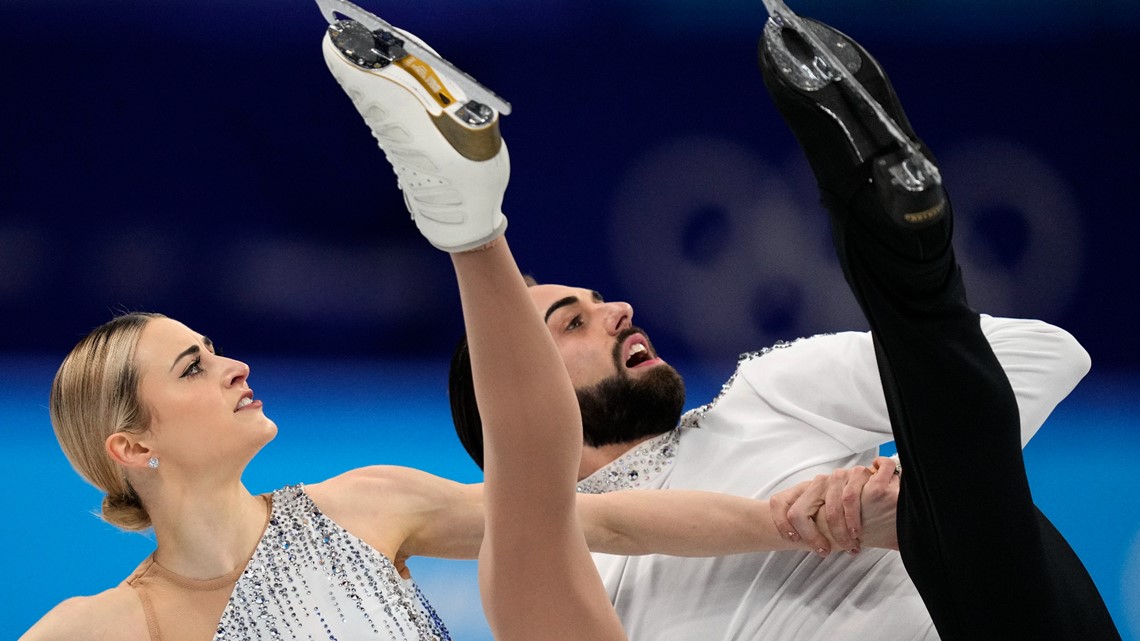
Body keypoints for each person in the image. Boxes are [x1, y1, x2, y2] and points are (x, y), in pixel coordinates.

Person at [17, 11, 899, 641]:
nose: (234, 366)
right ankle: (469, 227)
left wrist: (818, 522)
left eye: (214, 351)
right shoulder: (96, 627)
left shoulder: (362, 505)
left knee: (535, 514)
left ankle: (472, 227)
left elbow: (609, 523)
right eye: (193, 369)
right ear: (133, 445)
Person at [449, 12, 1122, 641]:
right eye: (573, 322)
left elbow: (1046, 354)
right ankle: (898, 258)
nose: (616, 309)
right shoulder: (560, 583)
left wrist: (902, 491)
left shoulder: (767, 393)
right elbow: (447, 513)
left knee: (959, 477)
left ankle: (897, 236)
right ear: (512, 401)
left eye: (597, 300)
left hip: (996, 615)